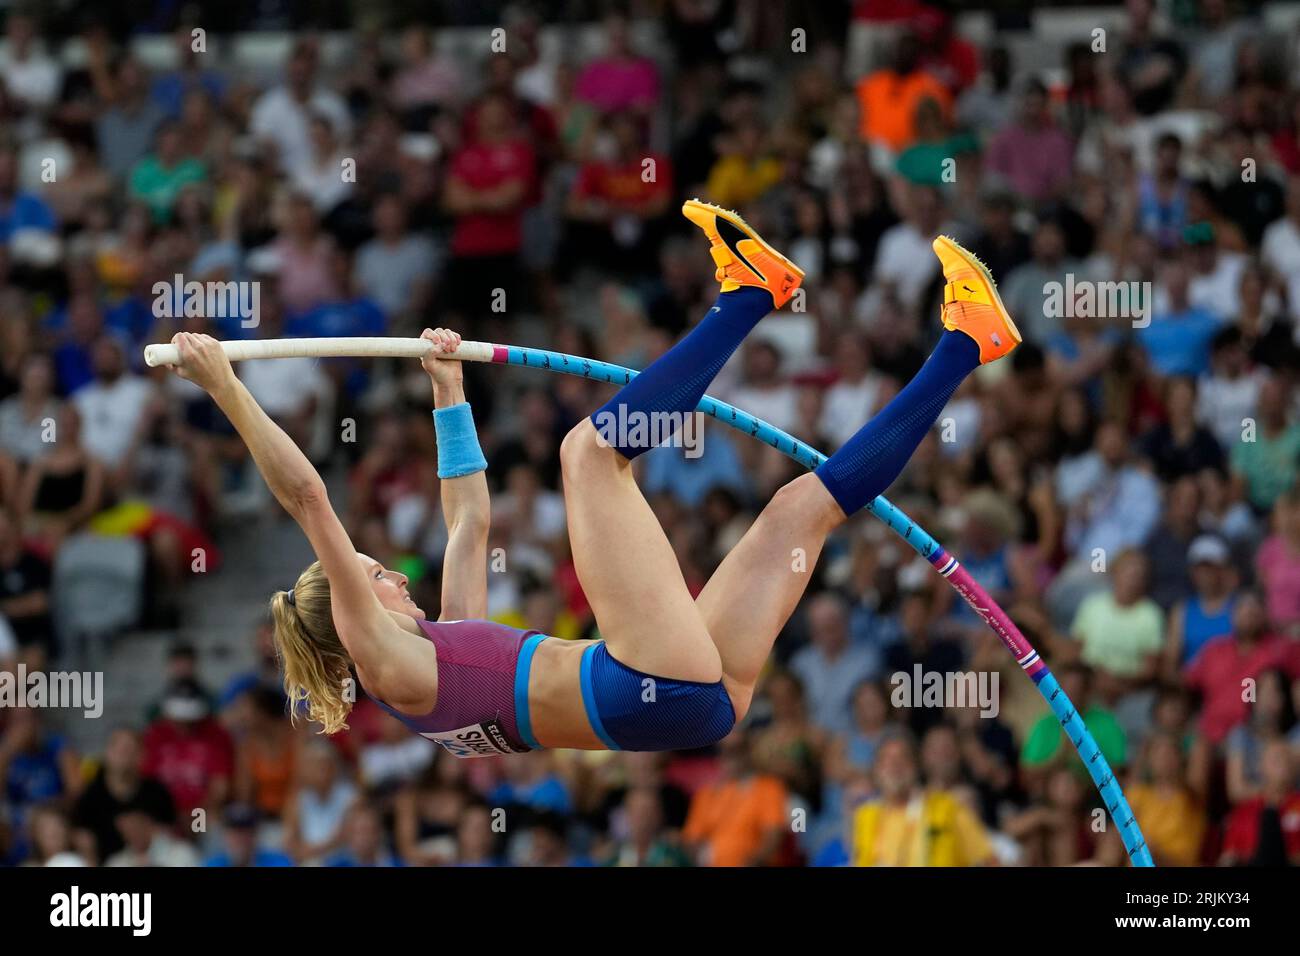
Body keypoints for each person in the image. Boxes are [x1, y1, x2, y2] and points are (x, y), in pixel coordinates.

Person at [161, 201, 1020, 760]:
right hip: (644, 683)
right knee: (588, 455)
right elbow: (310, 499)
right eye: (375, 576)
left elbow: (467, 522)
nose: (391, 573)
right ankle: (750, 295)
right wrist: (229, 392)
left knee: (800, 510)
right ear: (349, 617)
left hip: (690, 703)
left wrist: (448, 394)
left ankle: (967, 339)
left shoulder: (431, 660)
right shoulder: (387, 663)